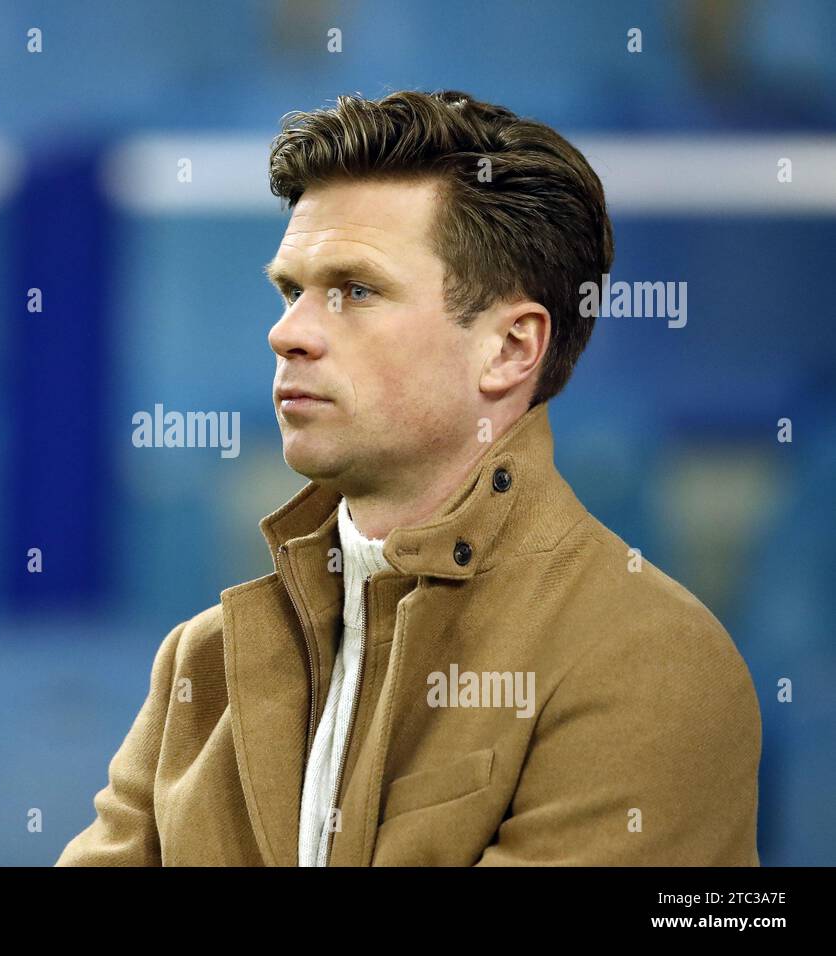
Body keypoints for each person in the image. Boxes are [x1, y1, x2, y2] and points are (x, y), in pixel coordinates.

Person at [56, 90, 760, 866]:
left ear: (510, 349)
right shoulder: (202, 663)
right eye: (292, 290)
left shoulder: (648, 661)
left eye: (355, 291)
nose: (286, 332)